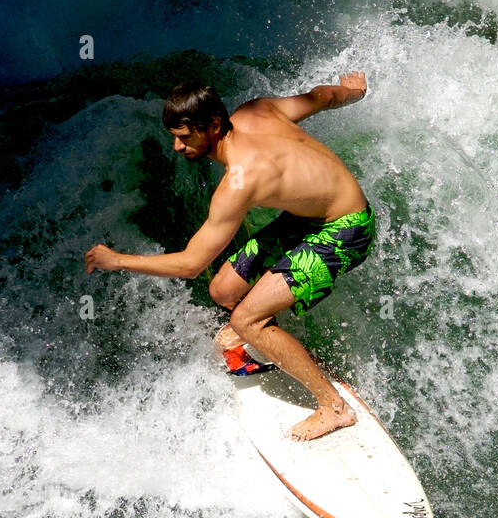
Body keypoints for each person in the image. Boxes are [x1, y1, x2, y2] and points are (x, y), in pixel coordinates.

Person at [85, 76, 375, 440]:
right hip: (308, 218)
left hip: (346, 229)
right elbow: (321, 97)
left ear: (214, 125)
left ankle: (334, 408)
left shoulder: (239, 182)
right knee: (223, 290)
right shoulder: (255, 112)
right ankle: (270, 337)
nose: (177, 146)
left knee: (244, 319)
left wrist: (119, 261)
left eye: (185, 137)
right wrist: (353, 91)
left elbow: (191, 264)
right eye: (174, 136)